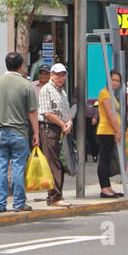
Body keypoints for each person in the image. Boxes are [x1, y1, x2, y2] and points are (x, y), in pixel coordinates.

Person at [0, 52, 40, 212]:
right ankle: (18, 202)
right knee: (17, 167)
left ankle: (0, 203)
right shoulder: (25, 85)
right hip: (19, 132)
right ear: (21, 67)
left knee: (0, 166)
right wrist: (36, 133)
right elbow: (32, 112)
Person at [37, 63, 73, 207]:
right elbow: (47, 113)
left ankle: (55, 195)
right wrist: (62, 124)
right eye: (58, 75)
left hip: (61, 129)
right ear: (51, 75)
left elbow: (67, 110)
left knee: (61, 161)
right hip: (49, 129)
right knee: (53, 163)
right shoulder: (46, 90)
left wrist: (69, 122)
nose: (60, 78)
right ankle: (55, 196)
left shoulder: (62, 91)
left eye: (63, 75)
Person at [95, 71, 123, 197]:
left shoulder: (111, 95)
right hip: (106, 131)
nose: (115, 83)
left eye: (117, 80)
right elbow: (110, 114)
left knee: (108, 159)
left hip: (111, 131)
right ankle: (104, 188)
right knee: (104, 160)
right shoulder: (104, 94)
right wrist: (118, 130)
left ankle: (108, 186)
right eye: (113, 80)